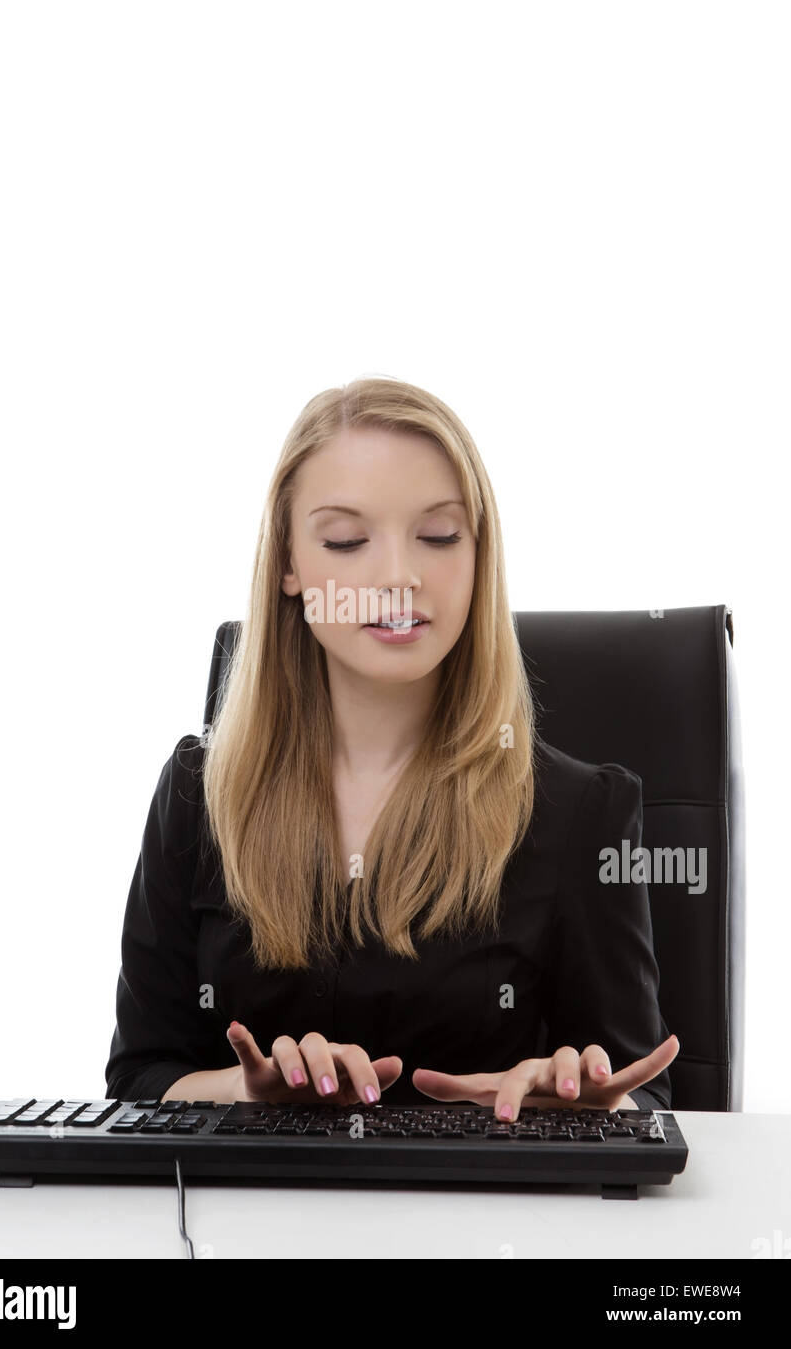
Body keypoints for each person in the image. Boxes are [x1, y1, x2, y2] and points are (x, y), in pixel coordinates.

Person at [105, 376, 679, 1122]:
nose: (398, 577)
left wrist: (574, 1097)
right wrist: (247, 1092)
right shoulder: (197, 792)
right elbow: (141, 1078)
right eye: (346, 540)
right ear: (288, 566)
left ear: (479, 560)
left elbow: (645, 1098)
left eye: (439, 537)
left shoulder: (582, 814)